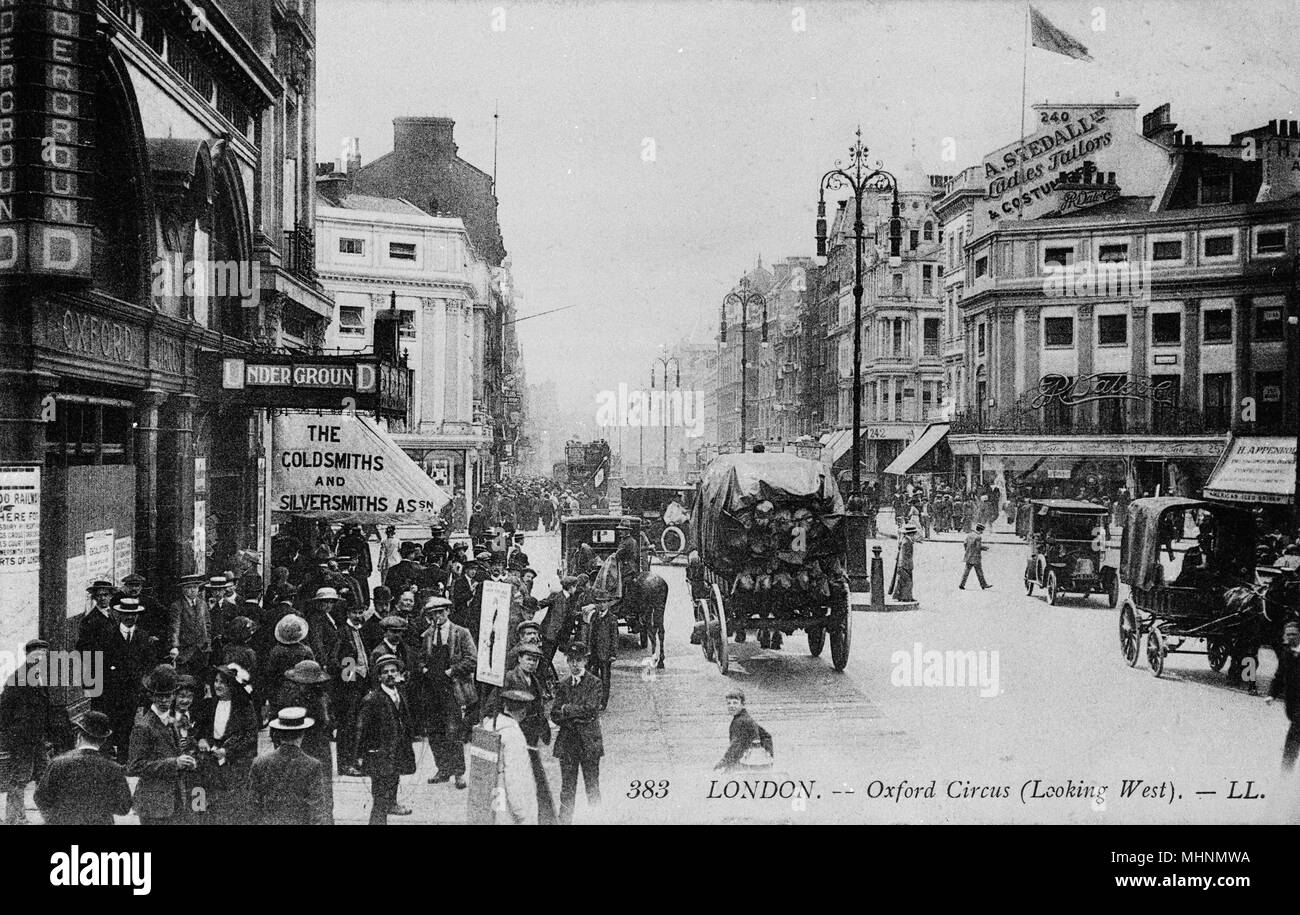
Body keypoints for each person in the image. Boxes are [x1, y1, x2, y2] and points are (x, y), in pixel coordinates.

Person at [1, 639, 73, 823]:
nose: (40, 658)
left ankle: (50, 815)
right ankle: (14, 819)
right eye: (36, 655)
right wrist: (13, 734)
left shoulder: (39, 676)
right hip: (23, 740)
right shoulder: (17, 678)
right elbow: (3, 709)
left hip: (38, 739)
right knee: (20, 779)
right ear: (27, 656)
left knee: (44, 775)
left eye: (43, 655)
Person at [34, 711, 132, 826]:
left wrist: (54, 818)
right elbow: (123, 808)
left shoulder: (57, 763)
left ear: (79, 736)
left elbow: (40, 798)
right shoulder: (113, 768)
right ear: (103, 740)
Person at [128, 665, 196, 825]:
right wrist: (174, 763)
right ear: (151, 696)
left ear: (173, 694)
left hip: (174, 800)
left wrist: (187, 762)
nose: (164, 701)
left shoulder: (171, 720)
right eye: (160, 696)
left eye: (168, 696)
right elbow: (134, 766)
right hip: (153, 806)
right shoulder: (143, 726)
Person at [419, 596, 475, 788]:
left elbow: (471, 660)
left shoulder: (461, 633)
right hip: (432, 689)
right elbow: (420, 659)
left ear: (448, 612)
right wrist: (424, 669)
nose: (437, 617)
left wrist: (451, 671)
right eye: (433, 614)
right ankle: (443, 769)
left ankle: (459, 773)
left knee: (453, 731)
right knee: (435, 731)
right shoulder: (426, 635)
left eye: (441, 612)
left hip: (452, 689)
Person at [194, 663, 259, 824]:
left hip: (236, 764)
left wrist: (227, 751)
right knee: (208, 804)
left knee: (234, 807)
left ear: (232, 685)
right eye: (216, 681)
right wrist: (201, 740)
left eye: (223, 682)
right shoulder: (209, 705)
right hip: (211, 762)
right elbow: (200, 731)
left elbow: (250, 737)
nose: (218, 685)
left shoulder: (244, 707)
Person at [96, 596, 158, 762]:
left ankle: (125, 761)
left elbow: (149, 663)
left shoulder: (143, 636)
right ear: (119, 615)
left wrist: (143, 682)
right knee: (112, 726)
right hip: (113, 692)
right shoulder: (108, 635)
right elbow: (101, 663)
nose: (130, 617)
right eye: (126, 614)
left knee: (130, 728)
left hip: (134, 693)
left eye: (134, 614)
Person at [356, 653, 416, 822]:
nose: (390, 675)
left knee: (391, 789)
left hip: (396, 753)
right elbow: (362, 729)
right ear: (379, 676)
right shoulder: (372, 699)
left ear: (399, 674)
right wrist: (361, 755)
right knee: (380, 799)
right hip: (379, 756)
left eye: (393, 671)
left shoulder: (400, 694)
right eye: (386, 672)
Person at [552, 641, 604, 824]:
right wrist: (572, 712)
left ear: (585, 661)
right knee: (567, 789)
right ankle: (564, 821)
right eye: (571, 660)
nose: (574, 664)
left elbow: (590, 710)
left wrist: (567, 710)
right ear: (567, 661)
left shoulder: (595, 683)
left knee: (592, 787)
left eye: (578, 660)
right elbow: (554, 714)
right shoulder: (563, 685)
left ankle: (596, 820)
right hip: (568, 745)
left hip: (589, 744)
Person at [250, 707, 330, 825]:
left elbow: (253, 807)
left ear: (278, 734)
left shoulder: (259, 763)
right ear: (302, 734)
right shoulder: (313, 766)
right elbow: (317, 811)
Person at [278, 660, 335, 821]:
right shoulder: (322, 698)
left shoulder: (291, 698)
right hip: (318, 749)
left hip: (303, 749)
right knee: (322, 794)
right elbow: (330, 723)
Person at [486, 689, 540, 825]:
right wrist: (522, 813)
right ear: (523, 711)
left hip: (492, 793)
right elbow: (514, 778)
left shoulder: (489, 725)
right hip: (507, 800)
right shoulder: (514, 735)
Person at [1268, 620, 1300, 771]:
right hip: (1292, 703)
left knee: (1294, 735)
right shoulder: (1286, 652)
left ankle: (1285, 772)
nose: (1291, 637)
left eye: (1294, 634)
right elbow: (1279, 676)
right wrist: (1272, 695)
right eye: (1288, 634)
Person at [715, 689, 773, 772]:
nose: (731, 706)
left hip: (748, 762)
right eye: (729, 703)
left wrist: (724, 761)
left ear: (743, 705)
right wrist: (769, 755)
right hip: (755, 760)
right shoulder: (744, 718)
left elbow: (736, 744)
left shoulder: (741, 721)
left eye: (735, 703)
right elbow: (766, 736)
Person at [168, 573, 211, 677]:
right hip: (186, 651)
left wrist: (207, 642)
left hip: (202, 650)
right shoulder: (177, 606)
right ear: (183, 590)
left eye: (195, 587)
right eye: (189, 587)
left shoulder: (202, 604)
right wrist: (175, 646)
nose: (193, 590)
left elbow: (207, 624)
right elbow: (175, 627)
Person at [959, 523, 992, 590]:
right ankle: (983, 584)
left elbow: (965, 543)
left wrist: (967, 551)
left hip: (968, 556)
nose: (982, 532)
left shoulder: (969, 535)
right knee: (979, 571)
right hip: (975, 557)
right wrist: (984, 548)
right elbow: (978, 547)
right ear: (980, 530)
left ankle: (961, 584)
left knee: (966, 571)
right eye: (982, 531)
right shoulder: (978, 537)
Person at [891, 524, 918, 602]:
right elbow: (906, 556)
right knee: (907, 581)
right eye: (914, 534)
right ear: (911, 534)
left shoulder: (905, 540)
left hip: (903, 564)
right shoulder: (907, 542)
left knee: (903, 581)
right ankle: (905, 597)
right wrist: (908, 565)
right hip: (905, 565)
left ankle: (905, 596)